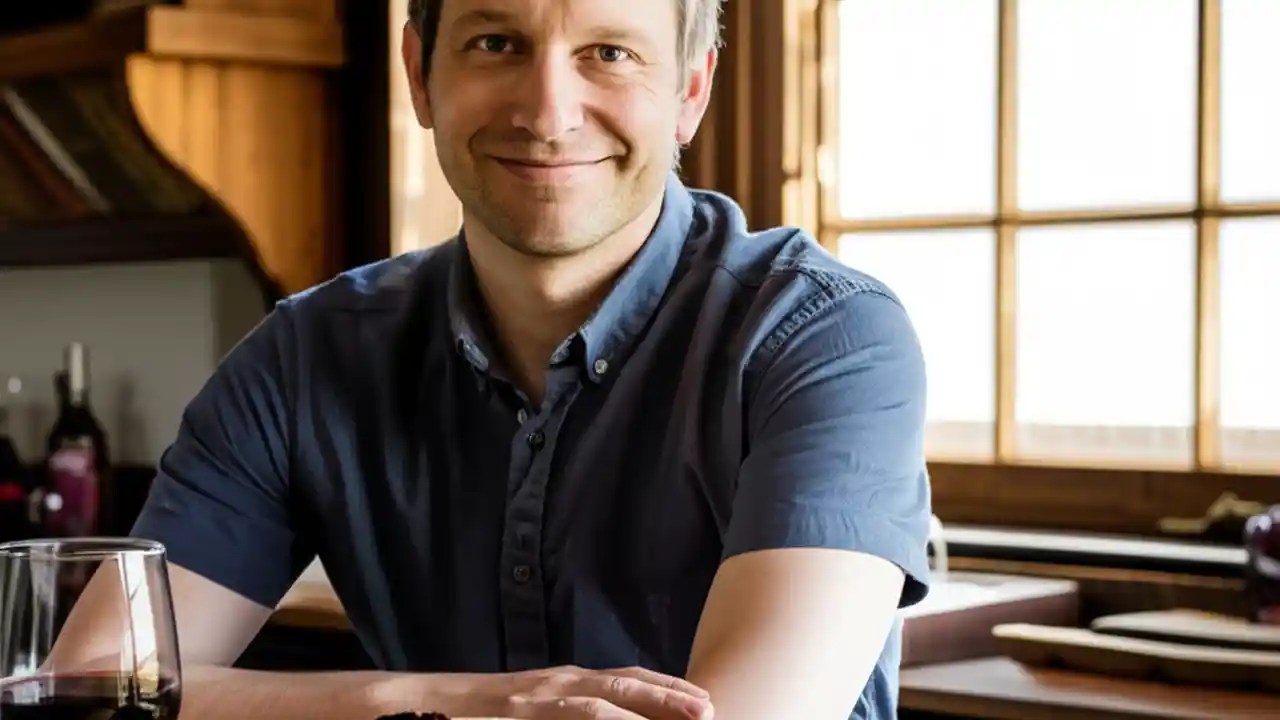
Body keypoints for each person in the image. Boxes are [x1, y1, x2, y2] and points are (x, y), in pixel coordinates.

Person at [59, 0, 933, 717]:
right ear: (419, 75)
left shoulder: (826, 336)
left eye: (609, 53)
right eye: (494, 42)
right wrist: (462, 703)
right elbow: (92, 685)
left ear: (691, 91)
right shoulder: (304, 357)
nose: (548, 113)